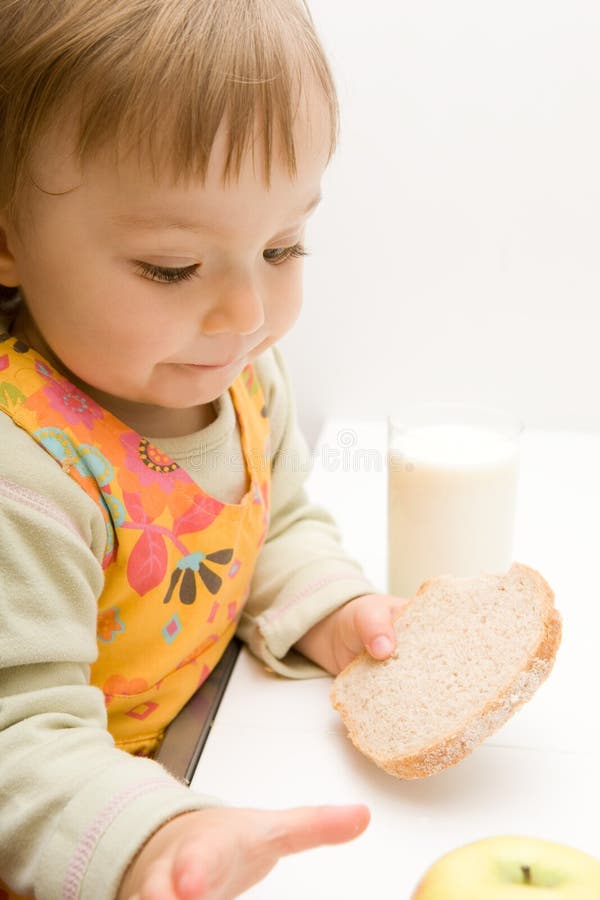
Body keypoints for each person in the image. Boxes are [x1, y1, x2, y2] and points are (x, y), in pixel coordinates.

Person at [0, 1, 407, 897]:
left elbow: (277, 519)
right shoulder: (23, 472)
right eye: (173, 267)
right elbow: (15, 733)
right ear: (6, 235)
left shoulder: (237, 378)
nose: (247, 316)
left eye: (282, 245)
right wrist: (155, 839)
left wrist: (333, 610)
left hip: (192, 750)